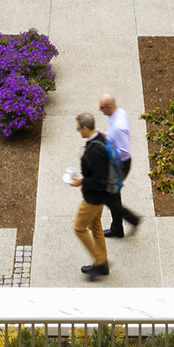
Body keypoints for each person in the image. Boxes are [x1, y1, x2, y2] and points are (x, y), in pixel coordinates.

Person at [69, 111, 112, 279]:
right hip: (99, 196)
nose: (78, 131)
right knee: (95, 225)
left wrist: (81, 182)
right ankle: (103, 262)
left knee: (79, 228)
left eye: (79, 128)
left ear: (85, 128)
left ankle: (100, 261)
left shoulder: (95, 150)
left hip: (93, 198)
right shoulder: (98, 138)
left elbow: (99, 179)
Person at [97, 92, 141, 238]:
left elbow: (123, 152)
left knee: (109, 197)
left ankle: (132, 219)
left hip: (119, 165)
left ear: (109, 106)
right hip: (117, 164)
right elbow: (114, 138)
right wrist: (104, 136)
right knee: (113, 196)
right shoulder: (119, 113)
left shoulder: (118, 126)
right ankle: (117, 229)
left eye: (102, 107)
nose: (100, 110)